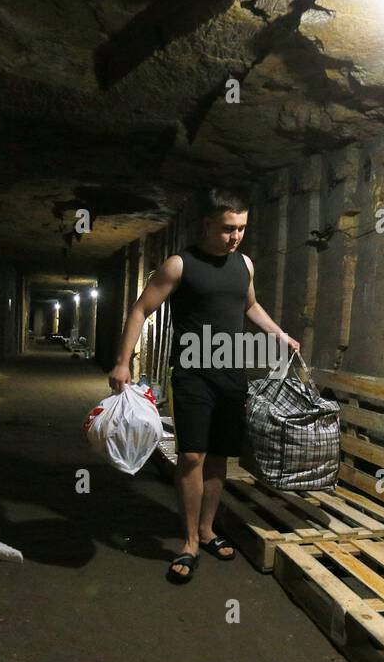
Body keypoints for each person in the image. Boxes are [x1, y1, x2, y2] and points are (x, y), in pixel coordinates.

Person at [109, 188, 300, 583]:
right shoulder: (180, 265)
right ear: (208, 224)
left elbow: (248, 305)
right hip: (192, 374)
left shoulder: (244, 264)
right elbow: (141, 309)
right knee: (192, 456)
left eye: (242, 228)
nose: (236, 237)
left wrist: (278, 333)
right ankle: (189, 541)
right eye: (229, 228)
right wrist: (122, 362)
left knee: (219, 457)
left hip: (232, 372)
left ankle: (209, 530)